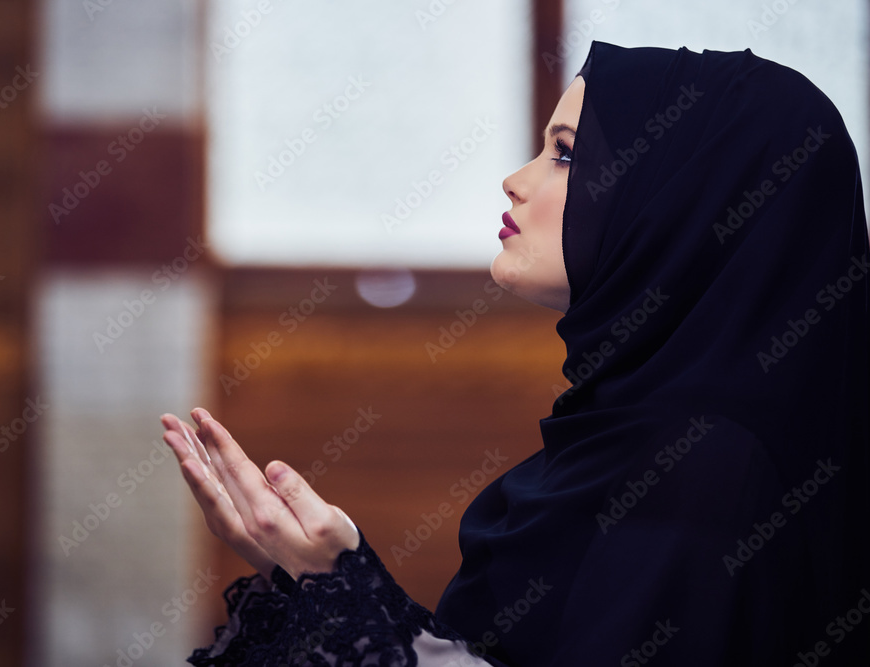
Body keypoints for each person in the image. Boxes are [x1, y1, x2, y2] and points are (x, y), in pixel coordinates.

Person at [160, 40, 870, 666]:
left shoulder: (704, 467)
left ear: (683, 210)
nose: (516, 180)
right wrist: (313, 576)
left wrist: (342, 584)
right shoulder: (623, 428)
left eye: (565, 153)